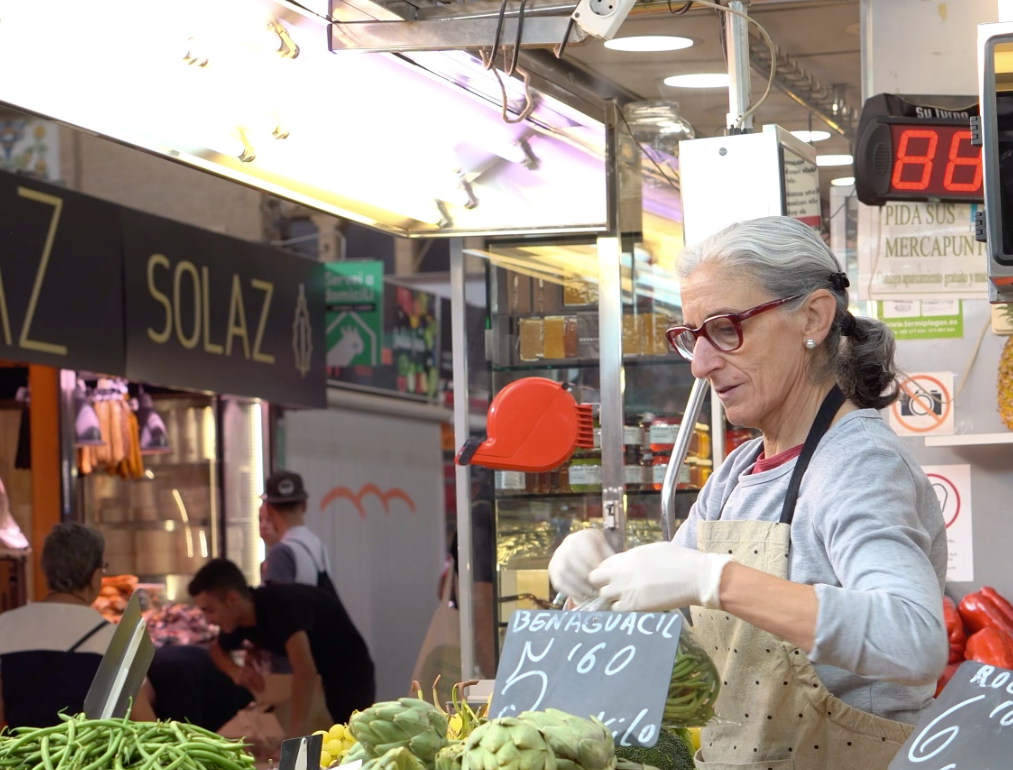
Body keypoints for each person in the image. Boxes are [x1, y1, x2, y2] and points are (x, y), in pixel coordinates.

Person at [549, 216, 948, 770]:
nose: (700, 364)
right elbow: (670, 638)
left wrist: (716, 579)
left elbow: (914, 639)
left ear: (812, 317)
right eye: (691, 336)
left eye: (725, 328)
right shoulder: (737, 473)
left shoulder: (859, 464)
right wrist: (595, 588)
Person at [189, 558, 374, 736]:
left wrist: (295, 730)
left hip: (349, 674)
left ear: (232, 599)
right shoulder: (239, 618)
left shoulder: (280, 607)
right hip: (318, 678)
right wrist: (235, 671)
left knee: (345, 741)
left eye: (209, 610)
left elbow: (304, 671)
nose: (208, 620)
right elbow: (216, 650)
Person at [0, 522, 156, 727]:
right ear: (94, 576)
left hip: (17, 748)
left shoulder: (4, 626)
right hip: (88, 748)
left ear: (45, 571)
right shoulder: (115, 640)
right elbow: (144, 723)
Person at [261, 470, 336, 598]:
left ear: (269, 509)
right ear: (305, 505)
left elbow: (275, 606)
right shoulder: (320, 547)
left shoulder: (281, 553)